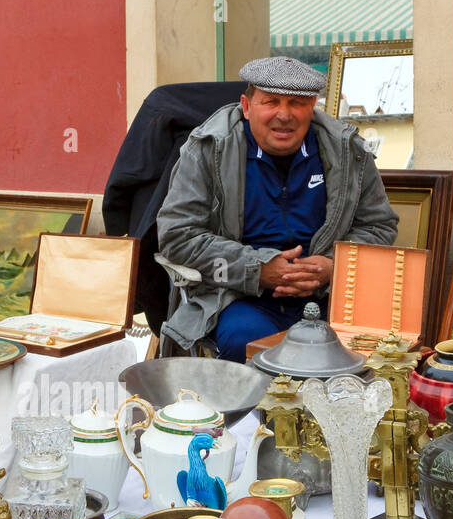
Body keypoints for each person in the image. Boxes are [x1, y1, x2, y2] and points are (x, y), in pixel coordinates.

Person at [157, 57, 399, 360]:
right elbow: (177, 235)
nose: (284, 115)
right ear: (246, 106)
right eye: (271, 102)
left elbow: (379, 227)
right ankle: (256, 410)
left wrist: (333, 267)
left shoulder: (349, 151)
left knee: (384, 347)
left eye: (296, 103)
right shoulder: (209, 148)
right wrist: (257, 269)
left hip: (332, 297)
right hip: (237, 296)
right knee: (248, 342)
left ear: (313, 106)